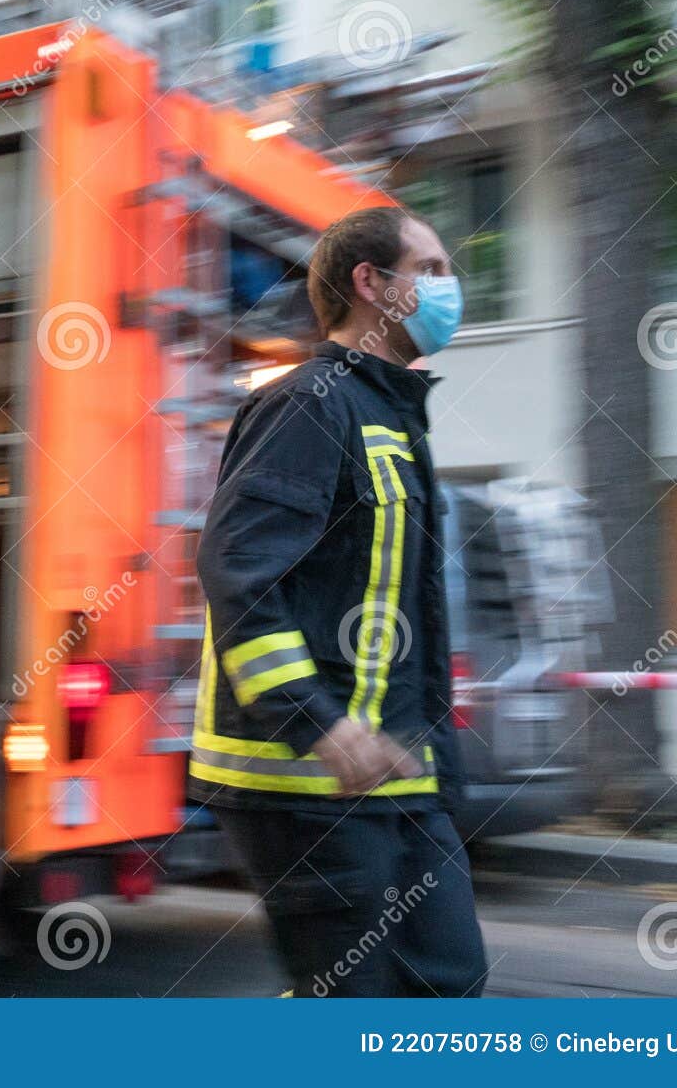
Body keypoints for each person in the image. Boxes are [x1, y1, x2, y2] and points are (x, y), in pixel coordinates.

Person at [189, 207, 488, 997]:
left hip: (399, 778)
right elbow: (238, 570)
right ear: (371, 283)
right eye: (431, 269)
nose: (450, 287)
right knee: (357, 1001)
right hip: (305, 785)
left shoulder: (393, 415)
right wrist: (318, 723)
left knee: (446, 981)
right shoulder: (309, 404)